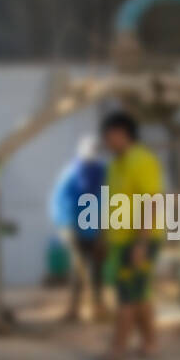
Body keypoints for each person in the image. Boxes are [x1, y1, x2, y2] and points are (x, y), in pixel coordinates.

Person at [100, 111, 165, 360]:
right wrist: (105, 238)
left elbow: (150, 201)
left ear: (120, 133)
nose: (106, 143)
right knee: (139, 293)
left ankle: (117, 350)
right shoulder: (115, 164)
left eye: (108, 137)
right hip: (121, 240)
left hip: (140, 239)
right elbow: (113, 203)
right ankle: (150, 343)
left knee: (126, 295)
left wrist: (141, 243)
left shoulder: (142, 160)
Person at [49, 135, 107, 321]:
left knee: (97, 269)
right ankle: (74, 309)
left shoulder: (104, 173)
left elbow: (109, 199)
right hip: (76, 229)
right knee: (78, 269)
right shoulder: (71, 174)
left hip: (98, 229)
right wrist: (65, 226)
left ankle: (97, 306)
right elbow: (60, 201)